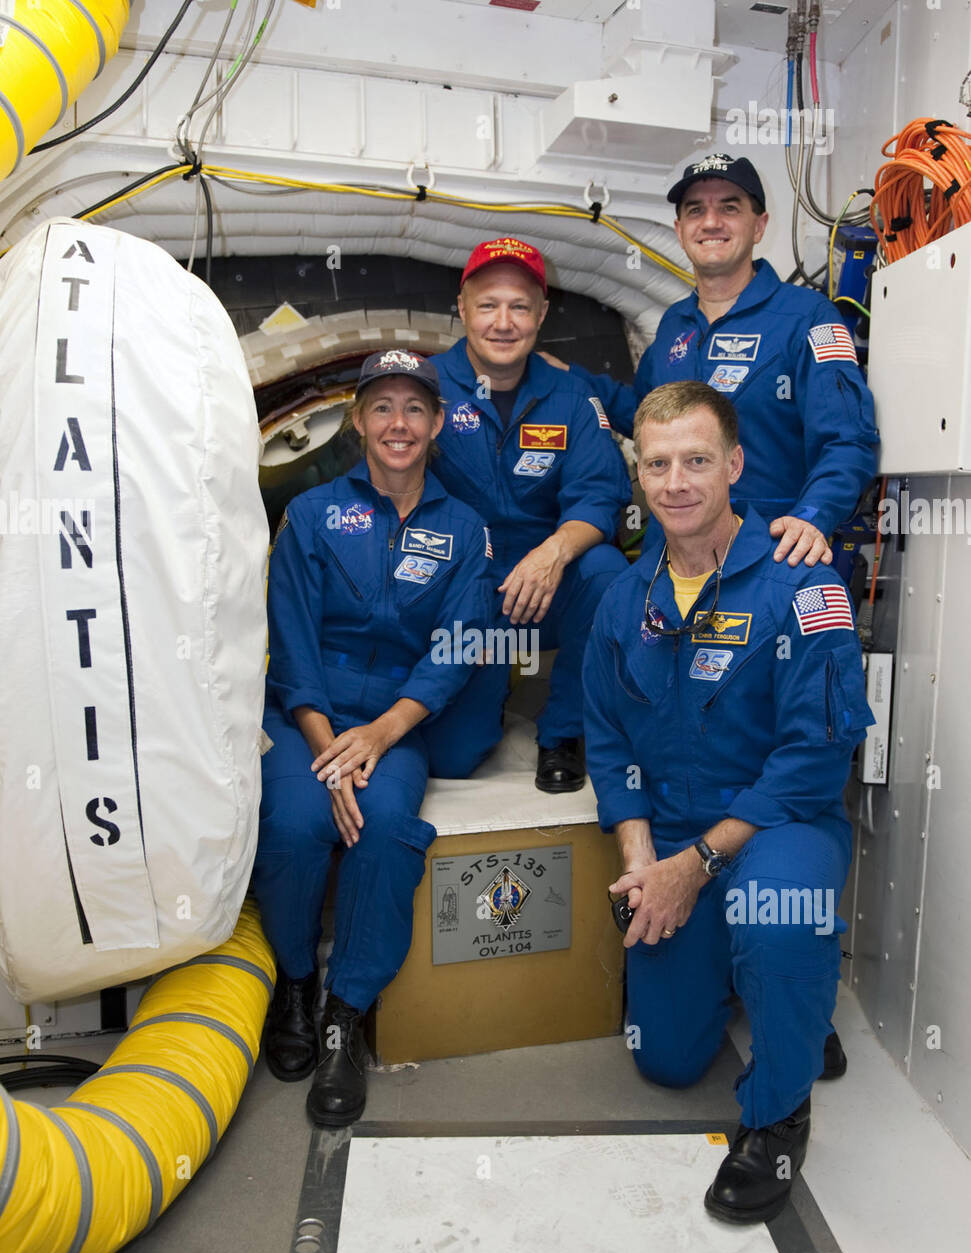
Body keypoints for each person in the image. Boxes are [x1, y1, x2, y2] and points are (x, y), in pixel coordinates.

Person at [582, 381, 874, 1222]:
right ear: (640, 477)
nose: (676, 483)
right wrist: (641, 857)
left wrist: (699, 864)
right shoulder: (620, 601)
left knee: (776, 918)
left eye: (697, 461)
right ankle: (783, 996)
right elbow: (606, 740)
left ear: (735, 465)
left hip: (778, 822)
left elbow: (815, 758)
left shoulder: (800, 585)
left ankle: (778, 1111)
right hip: (670, 831)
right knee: (668, 1060)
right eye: (659, 464)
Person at [251, 350, 492, 1127]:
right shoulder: (313, 515)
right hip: (305, 715)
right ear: (357, 422)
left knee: (384, 828)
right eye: (382, 407)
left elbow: (455, 648)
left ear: (437, 424)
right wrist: (329, 751)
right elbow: (290, 643)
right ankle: (292, 983)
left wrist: (379, 738)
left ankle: (342, 1016)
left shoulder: (463, 530)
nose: (398, 423)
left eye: (415, 408)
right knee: (291, 823)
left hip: (400, 719)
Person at [544, 154, 879, 570]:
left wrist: (811, 517)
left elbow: (848, 440)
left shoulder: (808, 317)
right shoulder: (674, 325)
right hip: (671, 551)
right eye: (696, 210)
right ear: (680, 230)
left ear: (759, 225)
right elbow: (643, 413)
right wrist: (569, 379)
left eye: (730, 207)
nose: (711, 222)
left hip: (769, 550)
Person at [427, 236, 631, 793]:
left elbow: (600, 495)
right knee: (452, 756)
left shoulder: (570, 397)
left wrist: (553, 553)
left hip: (545, 588)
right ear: (463, 308)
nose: (503, 321)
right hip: (460, 593)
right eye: (488, 304)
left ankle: (562, 731)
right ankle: (475, 700)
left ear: (541, 314)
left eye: (519, 306)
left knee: (608, 573)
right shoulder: (425, 388)